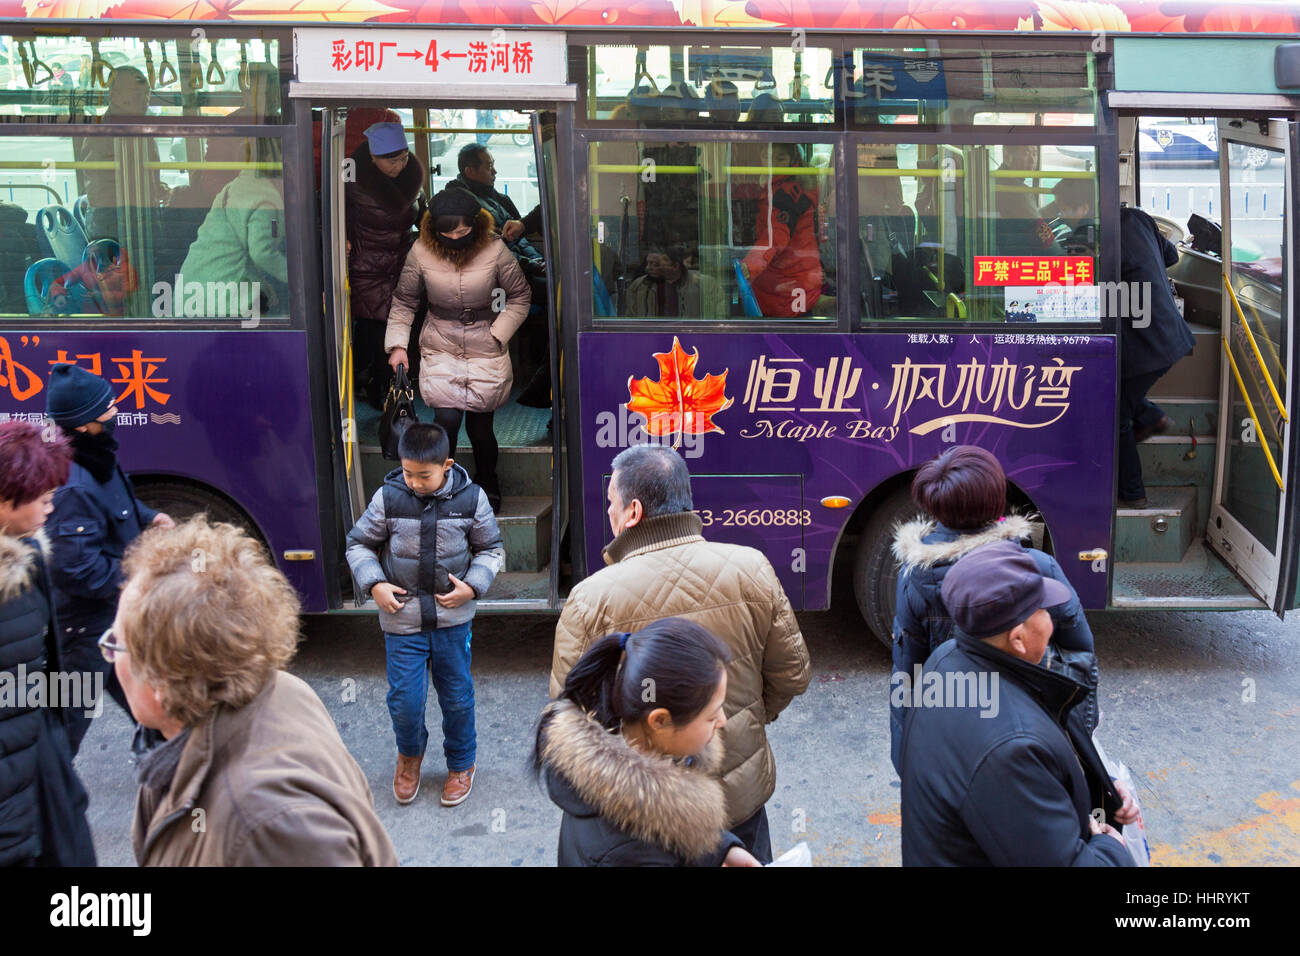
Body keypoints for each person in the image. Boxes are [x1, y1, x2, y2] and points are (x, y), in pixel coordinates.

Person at [550, 444, 810, 863]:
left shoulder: (589, 599)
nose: (609, 514)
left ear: (633, 512)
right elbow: (792, 674)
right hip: (738, 802)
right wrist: (739, 718)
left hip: (644, 819)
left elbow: (573, 714)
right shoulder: (752, 567)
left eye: (611, 504)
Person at [107, 516, 397, 865]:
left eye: (115, 643)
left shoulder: (265, 825)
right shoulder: (279, 687)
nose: (107, 654)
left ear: (161, 676)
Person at [899, 540, 1138, 866]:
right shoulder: (1010, 750)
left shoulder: (945, 660)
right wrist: (1112, 851)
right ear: (1018, 638)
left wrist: (1100, 788)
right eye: (1042, 611)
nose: (1050, 619)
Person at [889, 445, 1097, 772]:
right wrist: (1077, 738)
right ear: (997, 500)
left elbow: (908, 677)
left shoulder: (913, 579)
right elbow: (1080, 653)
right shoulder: (1038, 568)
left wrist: (907, 762)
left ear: (934, 507)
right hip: (1032, 733)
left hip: (956, 736)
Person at [345, 422, 505, 808]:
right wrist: (375, 585)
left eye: (424, 475)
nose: (414, 482)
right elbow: (359, 544)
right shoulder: (388, 498)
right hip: (402, 621)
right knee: (405, 701)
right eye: (407, 473)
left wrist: (472, 587)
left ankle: (461, 763)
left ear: (447, 465)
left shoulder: (472, 499)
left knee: (457, 697)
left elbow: (492, 550)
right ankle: (410, 757)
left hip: (452, 622)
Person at [534, 619, 761, 867]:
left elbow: (668, 834)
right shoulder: (626, 854)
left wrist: (721, 850)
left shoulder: (617, 778)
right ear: (660, 721)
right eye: (712, 714)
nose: (723, 721)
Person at [44, 363, 174, 756]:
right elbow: (78, 570)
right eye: (108, 406)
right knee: (63, 730)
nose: (116, 410)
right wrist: (141, 581)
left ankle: (177, 776)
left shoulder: (97, 458)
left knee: (158, 713)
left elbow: (119, 503)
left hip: (116, 622)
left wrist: (150, 517)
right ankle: (42, 804)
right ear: (84, 423)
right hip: (83, 633)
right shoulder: (72, 486)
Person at [385, 189, 530, 513]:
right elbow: (405, 300)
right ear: (433, 228)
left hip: (486, 342)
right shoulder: (421, 251)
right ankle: (443, 486)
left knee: (481, 427)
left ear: (475, 225)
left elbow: (520, 296)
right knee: (445, 420)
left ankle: (488, 481)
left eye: (462, 232)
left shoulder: (495, 249)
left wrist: (498, 334)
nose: (454, 238)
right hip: (441, 342)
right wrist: (397, 345)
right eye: (446, 233)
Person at [0, 422, 95, 867]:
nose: (51, 506)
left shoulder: (29, 556)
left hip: (43, 764)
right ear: (4, 500)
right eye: (42, 498)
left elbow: (47, 671)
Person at [1117, 205, 1195, 507]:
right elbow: (1172, 256)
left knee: (1117, 417)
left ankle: (1133, 492)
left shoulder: (1102, 234)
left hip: (1148, 344)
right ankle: (1152, 416)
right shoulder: (1137, 217)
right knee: (1122, 393)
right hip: (1168, 335)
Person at [346, 120, 425, 410]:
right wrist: (343, 237)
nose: (401, 165)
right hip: (367, 266)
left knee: (402, 325)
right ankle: (379, 389)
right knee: (376, 329)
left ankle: (395, 384)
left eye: (405, 157)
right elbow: (328, 211)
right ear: (373, 159)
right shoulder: (351, 177)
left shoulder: (411, 177)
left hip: (402, 261)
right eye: (392, 160)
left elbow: (421, 214)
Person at [178, 137, 289, 316]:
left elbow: (238, 252)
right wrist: (298, 278)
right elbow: (262, 253)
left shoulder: (234, 188)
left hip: (195, 288)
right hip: (219, 297)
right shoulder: (263, 200)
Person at [79, 67, 169, 241]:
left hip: (138, 214)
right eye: (136, 94)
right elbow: (103, 192)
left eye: (147, 93)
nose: (144, 100)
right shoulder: (105, 134)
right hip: (115, 222)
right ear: (114, 96)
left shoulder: (137, 126)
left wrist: (158, 189)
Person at [739, 141, 824, 317]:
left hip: (790, 283)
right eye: (767, 157)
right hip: (793, 277)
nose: (773, 164)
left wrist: (750, 265)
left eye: (780, 158)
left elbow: (776, 236)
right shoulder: (777, 185)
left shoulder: (786, 194)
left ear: (792, 160)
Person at [625, 244, 726, 319]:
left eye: (657, 264)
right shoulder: (639, 286)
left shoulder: (704, 284)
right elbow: (630, 317)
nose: (649, 268)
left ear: (676, 266)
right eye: (649, 263)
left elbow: (720, 316)